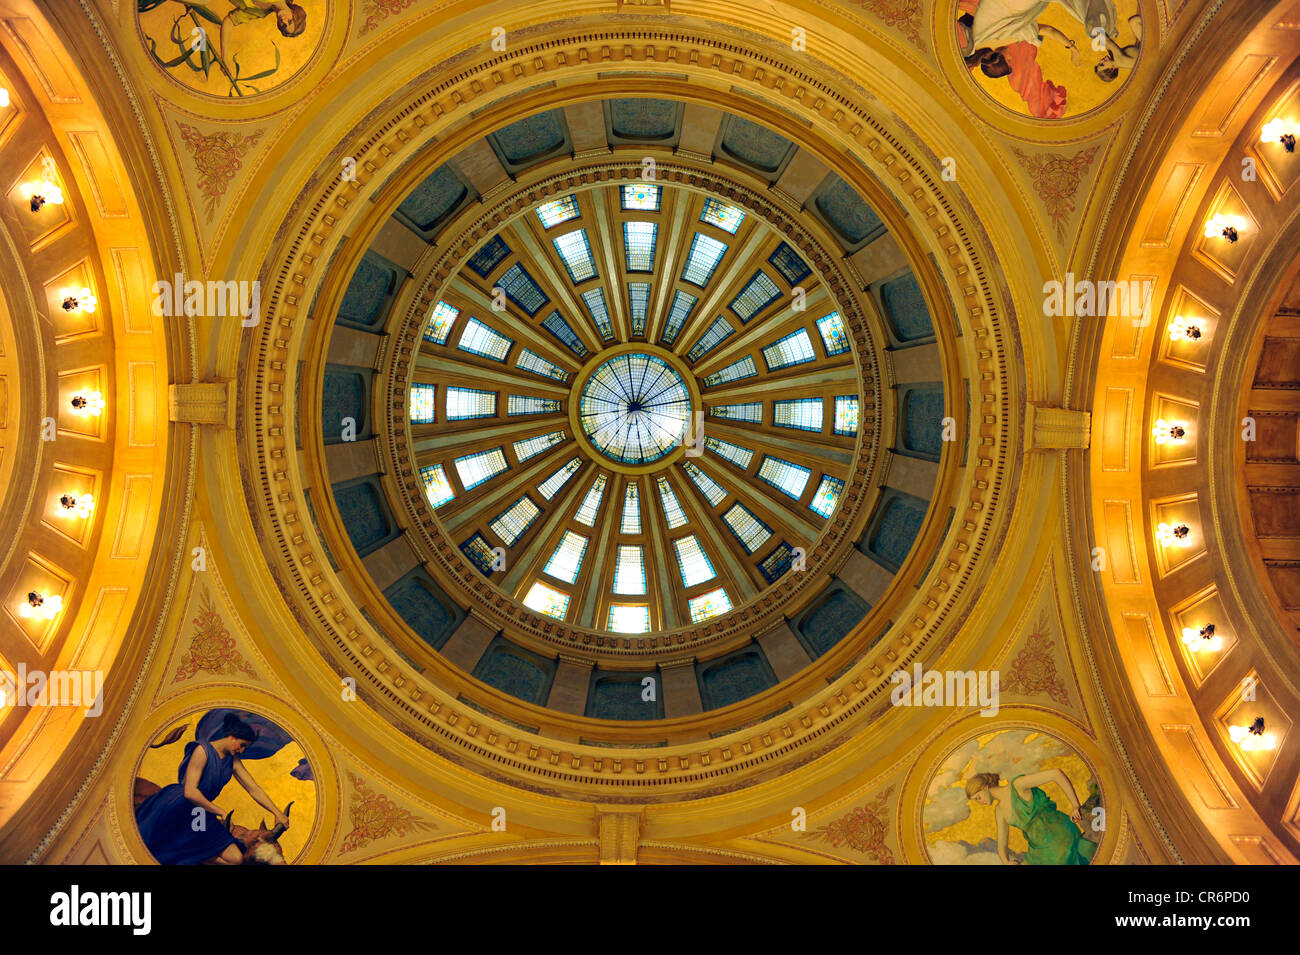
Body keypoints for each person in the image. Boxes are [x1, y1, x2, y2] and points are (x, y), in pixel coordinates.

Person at [135, 713, 290, 864]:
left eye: (245, 747)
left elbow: (253, 789)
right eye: (242, 745)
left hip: (200, 811)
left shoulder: (233, 761)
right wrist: (220, 811)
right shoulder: (202, 751)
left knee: (235, 859)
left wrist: (277, 813)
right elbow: (190, 792)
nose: (242, 751)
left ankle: (193, 853)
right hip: (177, 806)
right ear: (232, 736)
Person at [965, 770, 1098, 864]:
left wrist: (1076, 806)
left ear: (985, 787)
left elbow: (1056, 774)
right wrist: (1006, 862)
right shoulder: (1000, 811)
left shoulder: (1017, 786)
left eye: (978, 797)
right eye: (976, 800)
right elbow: (1002, 844)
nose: (980, 802)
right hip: (1038, 848)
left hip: (1058, 833)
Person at [1095, 15, 1142, 82]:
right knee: (1133, 22)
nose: (1101, 60)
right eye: (1102, 64)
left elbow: (1106, 42)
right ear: (1111, 69)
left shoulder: (1115, 60)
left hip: (1144, 44)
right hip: (1150, 48)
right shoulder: (1119, 61)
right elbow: (1108, 41)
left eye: (1099, 63)